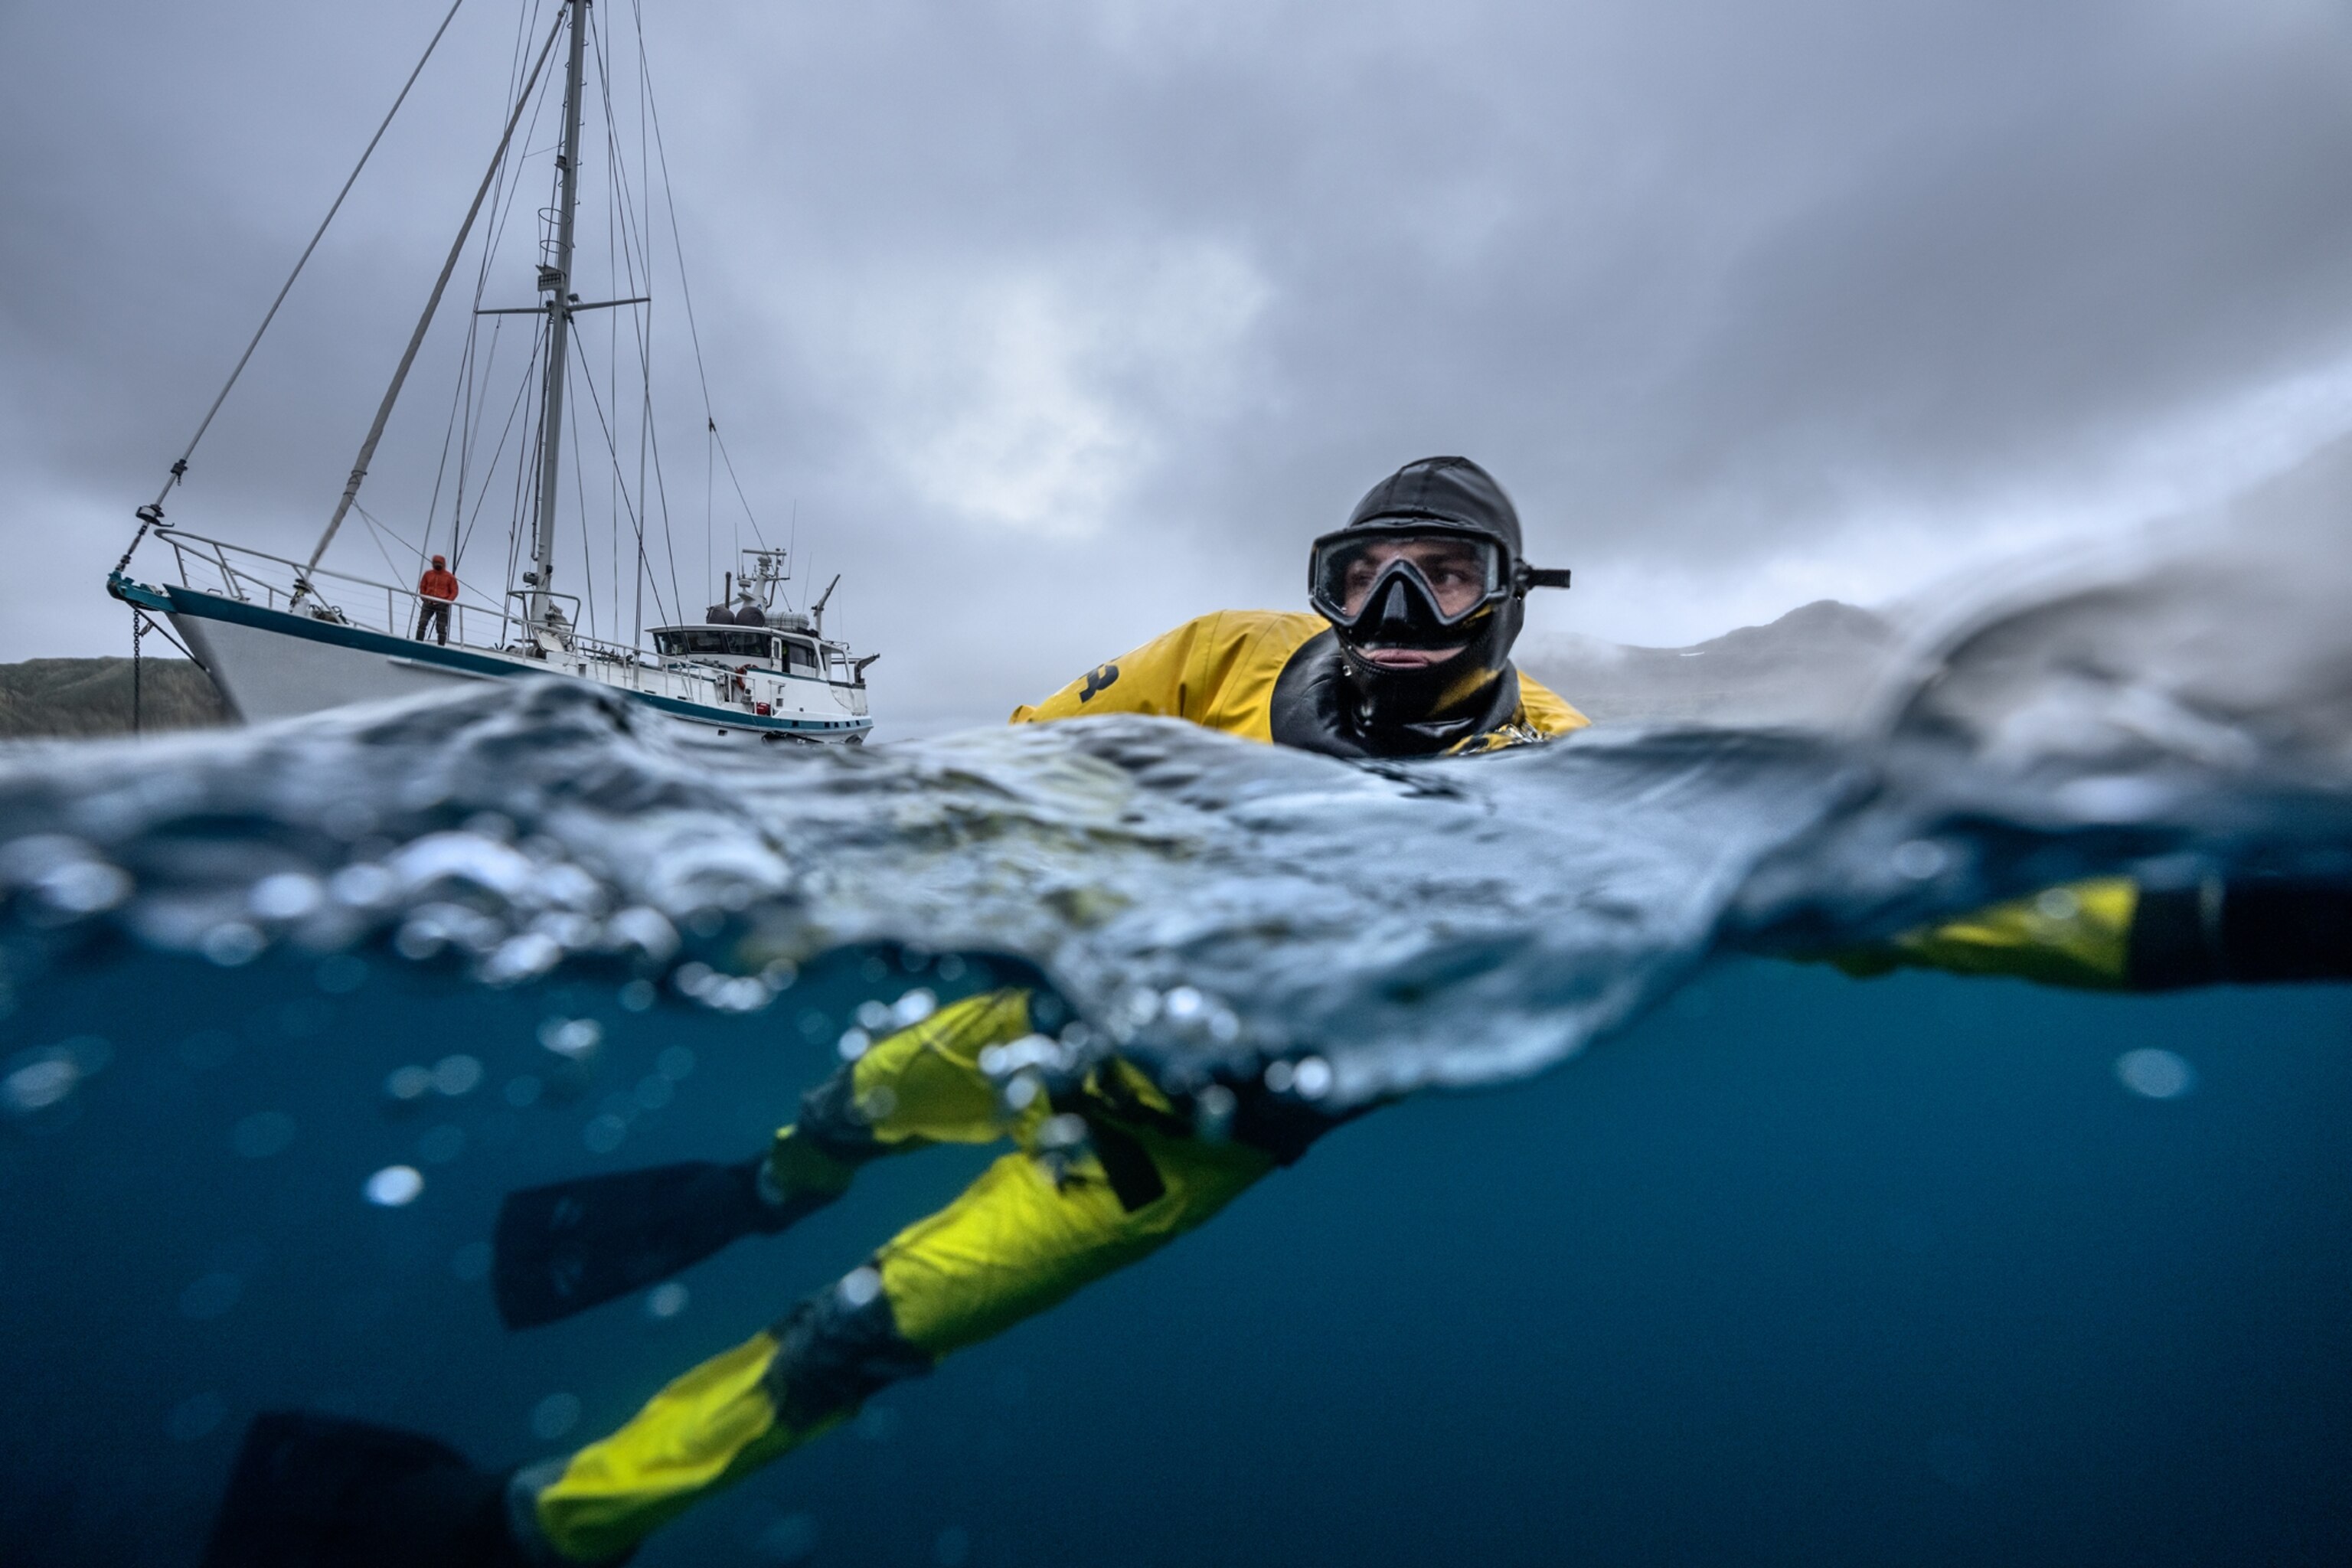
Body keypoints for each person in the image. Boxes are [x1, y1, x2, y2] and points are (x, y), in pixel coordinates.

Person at [201, 458, 2351, 1567]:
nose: (1397, 618)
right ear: (1319, 587)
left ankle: (525, 1534)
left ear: (1510, 606)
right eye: (1366, 576)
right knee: (852, 1101)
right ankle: (751, 1178)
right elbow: (1017, 754)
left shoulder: (1561, 778)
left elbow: (1893, 920)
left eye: (1448, 582)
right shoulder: (1221, 659)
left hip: (1167, 1152)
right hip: (1060, 1016)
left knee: (848, 1342)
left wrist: (2225, 921)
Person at [415, 554, 459, 645]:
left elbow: (454, 591)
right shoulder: (428, 574)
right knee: (422, 623)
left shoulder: (449, 577)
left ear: (443, 564)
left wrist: (447, 602)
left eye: (440, 563)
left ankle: (441, 646)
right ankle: (418, 643)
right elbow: (423, 586)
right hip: (428, 602)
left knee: (441, 627)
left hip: (442, 604)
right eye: (436, 563)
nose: (438, 565)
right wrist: (424, 597)